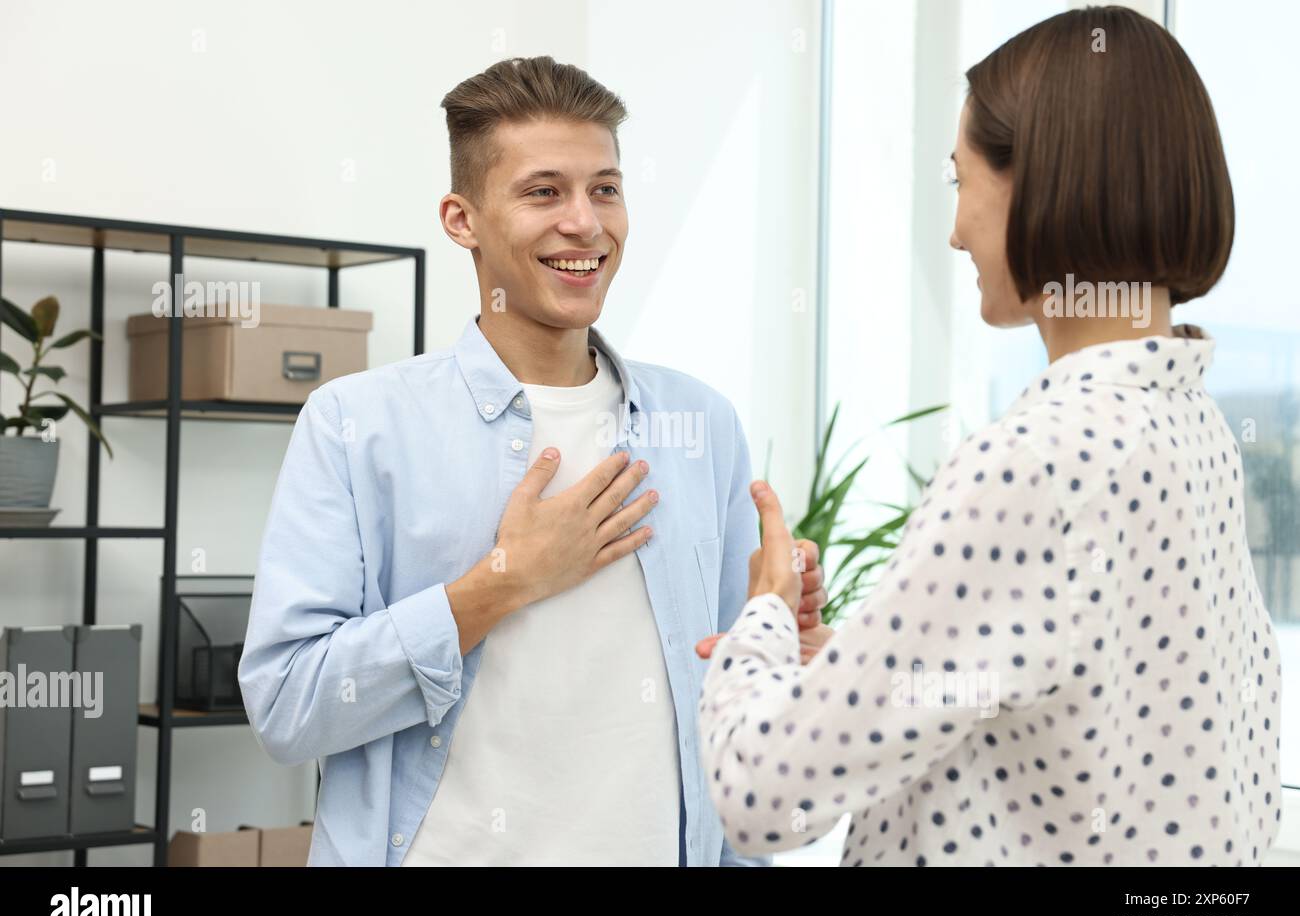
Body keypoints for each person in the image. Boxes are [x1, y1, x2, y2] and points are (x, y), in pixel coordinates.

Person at [697, 5, 1281, 866]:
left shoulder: (1038, 461)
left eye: (959, 180)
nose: (956, 228)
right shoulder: (1190, 425)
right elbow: (1064, 711)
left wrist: (765, 618)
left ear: (1044, 181)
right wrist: (856, 681)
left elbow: (764, 794)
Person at [238, 55, 827, 866]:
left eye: (606, 189)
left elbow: (731, 717)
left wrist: (788, 650)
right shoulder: (356, 425)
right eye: (543, 191)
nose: (585, 223)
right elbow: (288, 704)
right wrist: (503, 583)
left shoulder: (701, 424)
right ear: (461, 218)